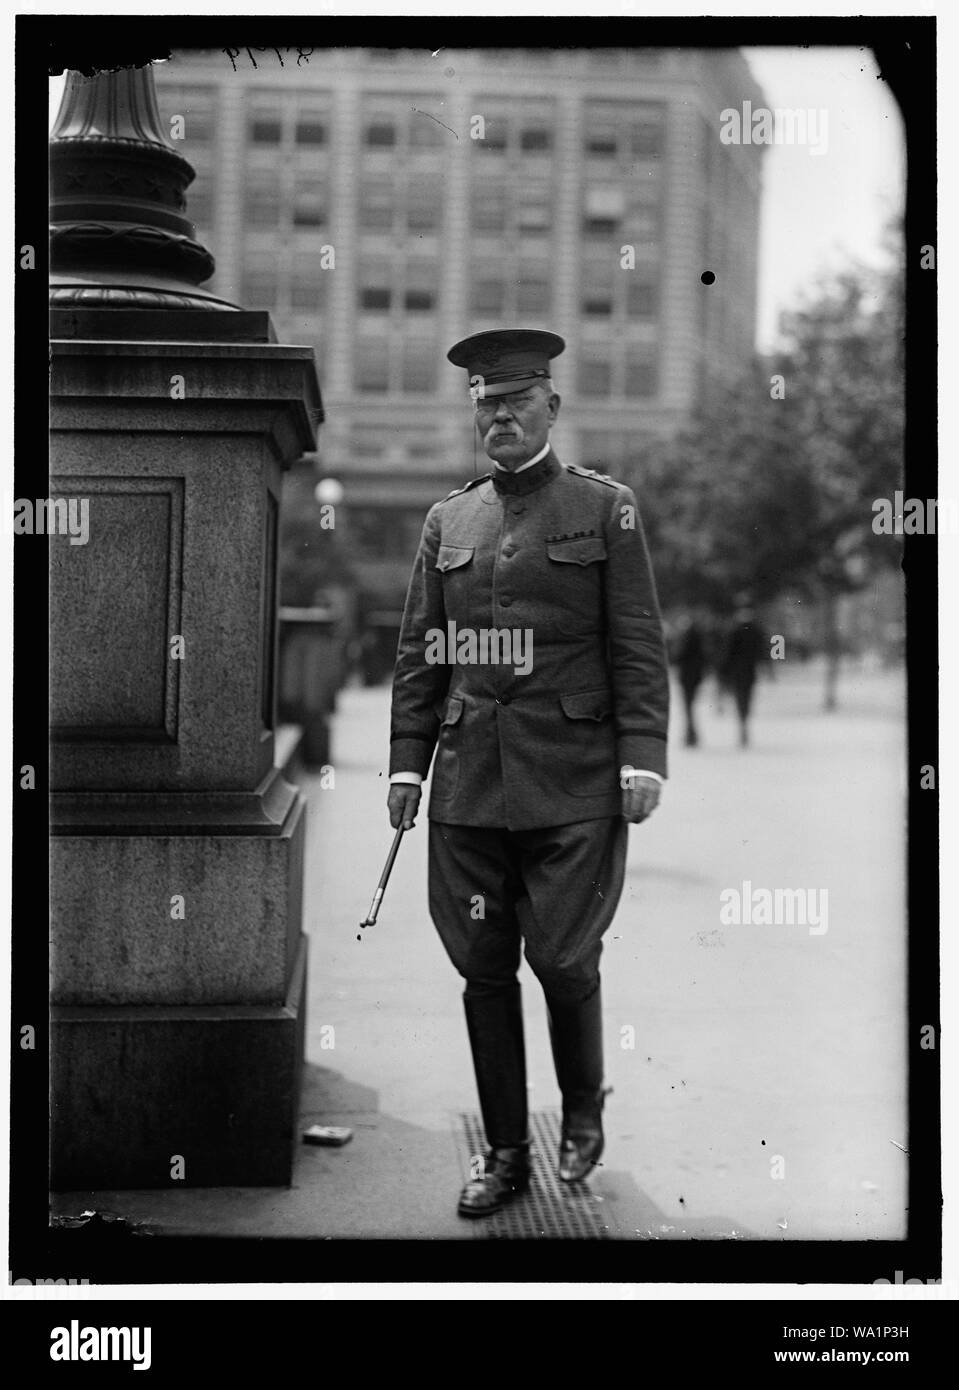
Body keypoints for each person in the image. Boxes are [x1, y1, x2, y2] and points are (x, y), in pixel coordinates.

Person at [387, 329, 669, 1218]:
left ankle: (581, 1107)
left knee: (561, 953)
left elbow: (637, 644)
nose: (498, 417)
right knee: (481, 967)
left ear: (551, 405)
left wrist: (643, 758)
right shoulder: (450, 521)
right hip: (469, 783)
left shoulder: (604, 508)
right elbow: (419, 656)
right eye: (485, 404)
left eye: (515, 401)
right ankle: (506, 1151)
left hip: (576, 781)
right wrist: (405, 766)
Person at [718, 604, 766, 747]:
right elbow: (762, 651)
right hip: (749, 671)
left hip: (738, 672)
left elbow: (728, 652)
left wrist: (724, 670)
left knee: (740, 697)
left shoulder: (735, 631)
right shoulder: (756, 631)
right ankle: (744, 721)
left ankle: (742, 721)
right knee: (746, 697)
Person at [672, 614, 709, 747]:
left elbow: (679, 656)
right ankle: (691, 733)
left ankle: (690, 733)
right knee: (690, 706)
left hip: (687, 676)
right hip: (695, 676)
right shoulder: (699, 638)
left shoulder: (686, 638)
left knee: (688, 706)